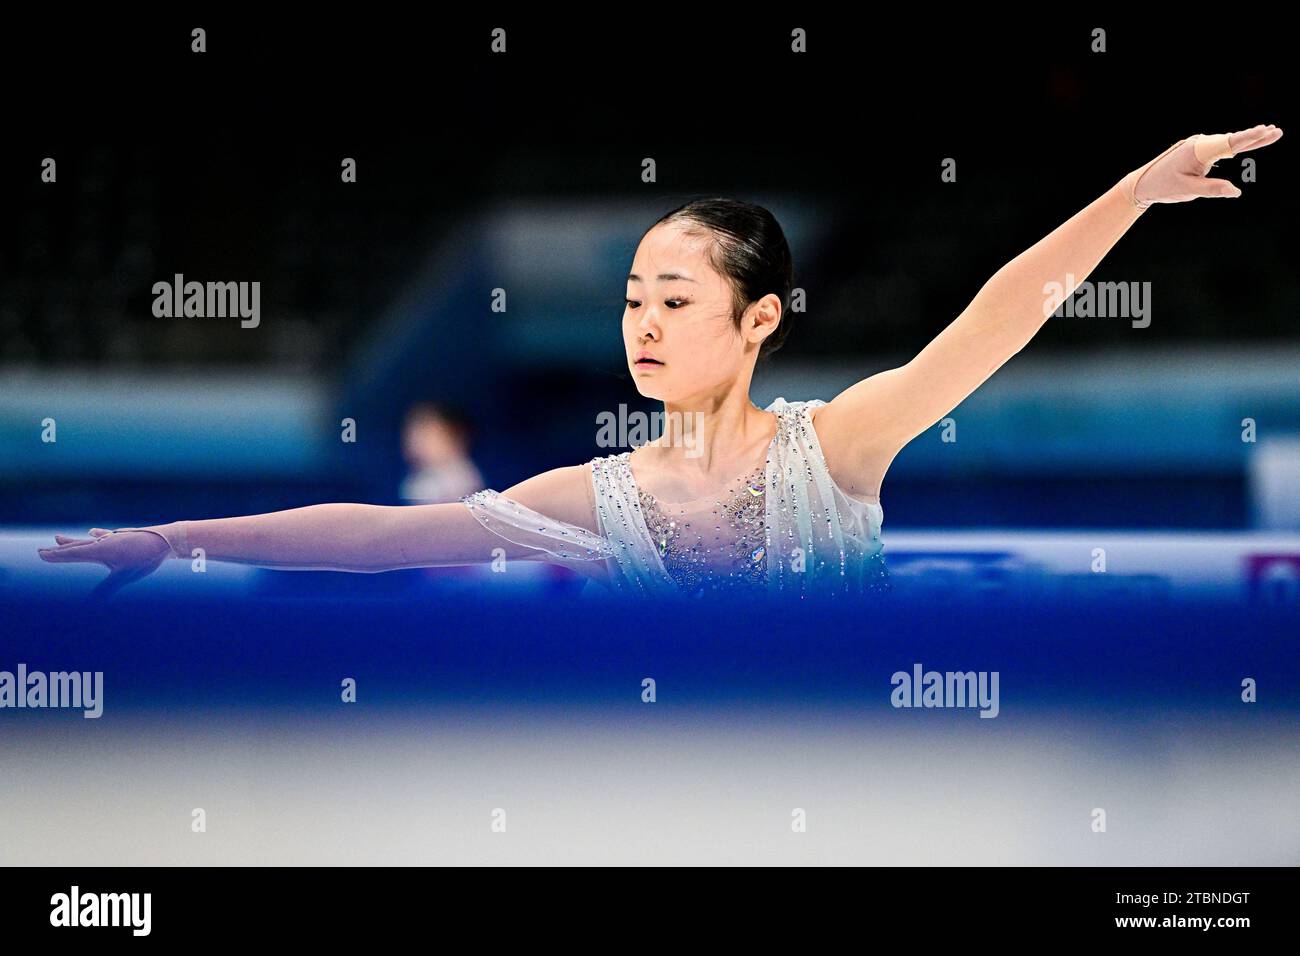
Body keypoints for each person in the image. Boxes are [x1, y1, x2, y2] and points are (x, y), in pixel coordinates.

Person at [38, 126, 1283, 600]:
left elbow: (996, 317)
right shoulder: (593, 498)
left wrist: (1131, 189)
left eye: (675, 297)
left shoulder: (839, 443)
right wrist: (181, 532)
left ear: (756, 322)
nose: (640, 319)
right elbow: (379, 535)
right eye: (631, 296)